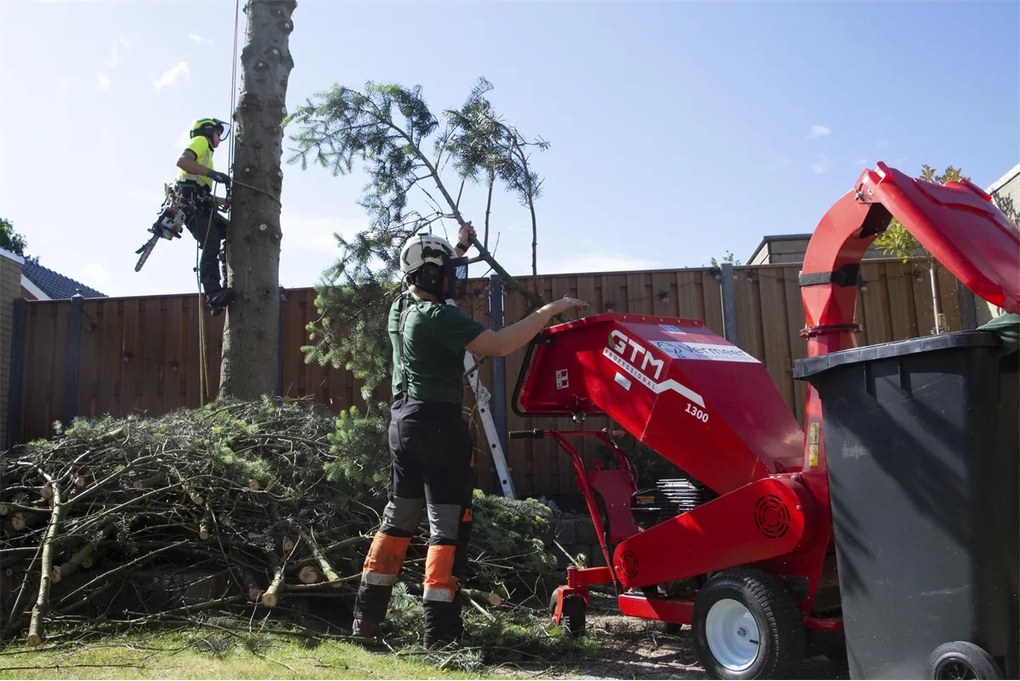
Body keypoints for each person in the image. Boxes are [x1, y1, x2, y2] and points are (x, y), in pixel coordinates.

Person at [352, 223, 589, 648]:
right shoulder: (437, 316)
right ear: (428, 277)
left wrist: (457, 247)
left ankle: (365, 622)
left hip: (402, 425)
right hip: (438, 426)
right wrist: (547, 312)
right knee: (447, 529)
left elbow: (420, 270)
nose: (452, 281)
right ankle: (439, 634)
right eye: (445, 273)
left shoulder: (400, 308)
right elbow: (499, 344)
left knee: (398, 520)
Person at [175, 117, 235, 310]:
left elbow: (202, 192)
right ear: (209, 131)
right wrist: (213, 174)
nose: (219, 138)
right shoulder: (200, 141)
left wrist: (226, 201)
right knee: (211, 241)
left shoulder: (207, 156)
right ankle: (213, 293)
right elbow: (182, 161)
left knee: (231, 233)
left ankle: (225, 286)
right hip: (193, 209)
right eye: (218, 133)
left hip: (202, 206)